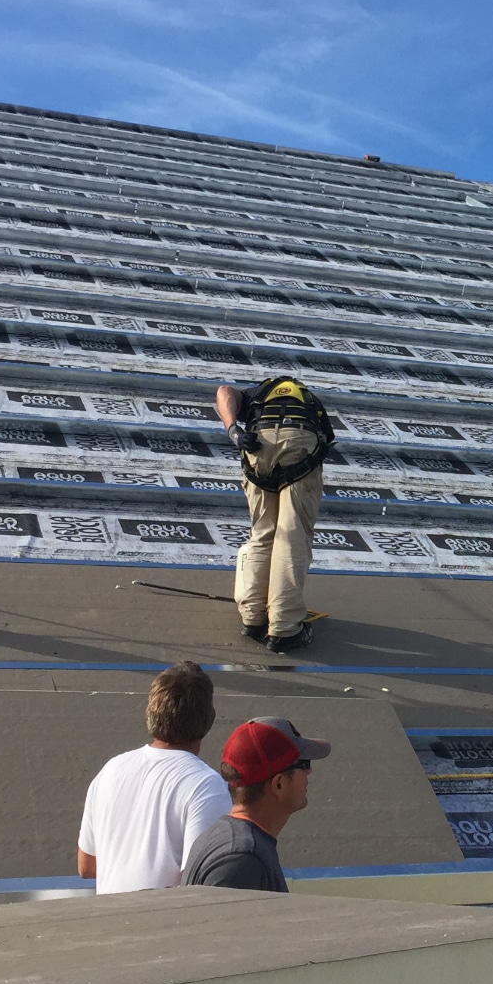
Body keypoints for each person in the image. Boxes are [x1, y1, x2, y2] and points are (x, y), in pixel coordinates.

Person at [77, 661, 232, 893]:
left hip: (109, 921)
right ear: (210, 720)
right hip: (164, 924)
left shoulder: (111, 770)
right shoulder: (206, 786)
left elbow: (87, 865)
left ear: (150, 712)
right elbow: (199, 882)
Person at [214, 377, 337, 653]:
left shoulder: (255, 395)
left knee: (262, 533)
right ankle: (284, 627)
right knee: (291, 537)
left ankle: (253, 618)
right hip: (300, 444)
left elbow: (223, 391)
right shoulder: (311, 402)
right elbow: (326, 441)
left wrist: (233, 430)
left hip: (258, 445)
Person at [182, 716, 330, 892]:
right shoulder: (242, 860)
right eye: (304, 764)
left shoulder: (230, 841)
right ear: (279, 783)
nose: (309, 771)